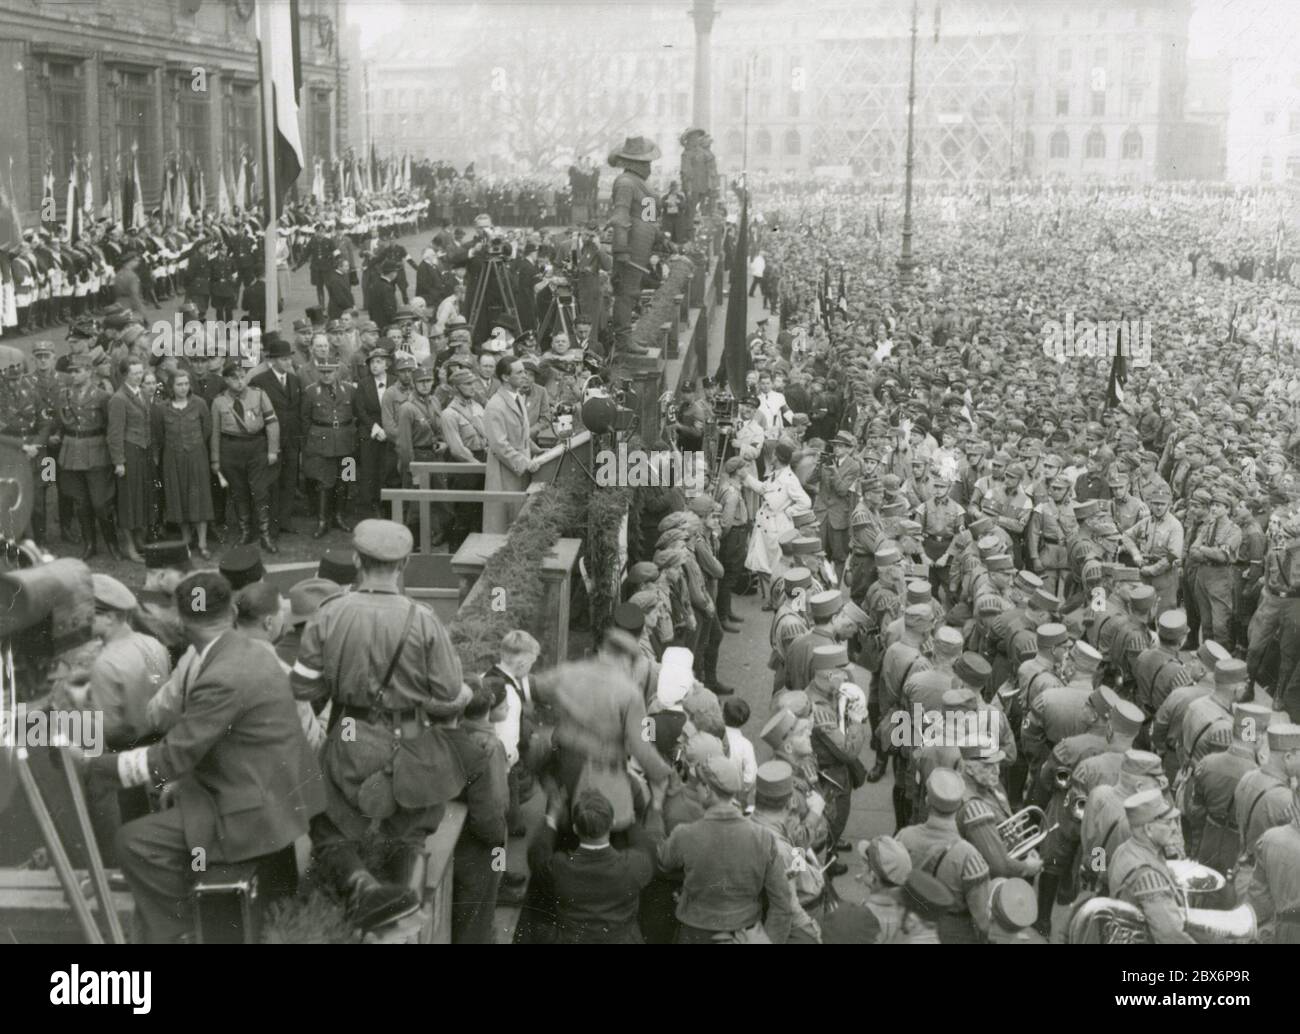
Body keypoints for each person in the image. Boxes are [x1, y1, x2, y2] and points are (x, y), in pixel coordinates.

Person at [81, 571, 324, 944]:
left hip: (251, 809)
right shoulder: (248, 653)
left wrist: (92, 765)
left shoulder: (220, 674)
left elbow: (170, 758)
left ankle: (180, 929)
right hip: (271, 793)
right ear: (230, 612)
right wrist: (184, 780)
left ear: (181, 621)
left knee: (132, 841)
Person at [290, 519, 469, 932]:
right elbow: (449, 690)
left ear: (356, 559)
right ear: (404, 564)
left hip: (352, 729)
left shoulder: (329, 613)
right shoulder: (422, 619)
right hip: (410, 733)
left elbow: (302, 685)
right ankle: (408, 912)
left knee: (331, 828)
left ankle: (362, 887)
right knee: (412, 831)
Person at [657, 754, 795, 943]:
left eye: (698, 784)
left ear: (707, 790)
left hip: (695, 935)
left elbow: (663, 861)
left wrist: (655, 808)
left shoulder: (685, 834)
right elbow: (783, 906)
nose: (695, 788)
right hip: (744, 935)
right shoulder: (764, 838)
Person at [528, 784, 666, 944]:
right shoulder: (633, 865)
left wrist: (551, 819)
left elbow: (537, 855)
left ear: (575, 829)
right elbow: (650, 846)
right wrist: (631, 820)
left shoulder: (560, 867)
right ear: (612, 823)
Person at [1106, 788, 1196, 943]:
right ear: (1148, 829)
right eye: (1168, 823)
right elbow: (1171, 937)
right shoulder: (1148, 876)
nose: (1174, 828)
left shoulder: (1123, 849)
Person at [209, 360, 280, 553]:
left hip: (256, 447)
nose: (240, 382)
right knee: (239, 493)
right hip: (230, 450)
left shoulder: (259, 395)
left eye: (242, 377)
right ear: (226, 380)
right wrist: (215, 459)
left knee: (260, 491)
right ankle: (245, 532)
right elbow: (215, 432)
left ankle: (265, 535)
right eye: (234, 378)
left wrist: (273, 449)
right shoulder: (219, 402)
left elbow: (272, 422)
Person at [249, 332, 303, 539]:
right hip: (269, 442)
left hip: (291, 440)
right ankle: (271, 524)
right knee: (272, 483)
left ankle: (285, 520)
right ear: (272, 360)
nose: (288, 362)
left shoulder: (294, 380)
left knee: (290, 480)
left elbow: (297, 410)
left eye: (289, 358)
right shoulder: (259, 381)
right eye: (283, 359)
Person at [300, 358, 358, 539]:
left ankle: (339, 516)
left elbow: (357, 413)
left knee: (345, 479)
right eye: (323, 372)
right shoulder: (311, 392)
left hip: (346, 441)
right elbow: (304, 420)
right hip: (321, 442)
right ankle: (323, 520)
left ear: (337, 371)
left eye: (330, 371)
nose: (326, 375)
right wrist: (310, 443)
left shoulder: (349, 390)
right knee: (325, 482)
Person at [483, 355, 541, 534]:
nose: (525, 375)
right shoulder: (495, 405)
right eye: (520, 372)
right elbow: (499, 445)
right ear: (505, 377)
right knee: (504, 522)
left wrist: (537, 450)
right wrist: (525, 463)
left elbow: (522, 435)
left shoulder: (518, 398)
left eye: (525, 371)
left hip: (520, 469)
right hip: (504, 472)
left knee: (518, 518)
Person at [106, 356, 153, 562]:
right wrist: (119, 462)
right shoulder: (118, 399)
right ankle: (129, 547)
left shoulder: (142, 393)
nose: (139, 376)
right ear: (125, 375)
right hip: (129, 452)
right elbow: (114, 434)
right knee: (127, 501)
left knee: (141, 497)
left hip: (144, 452)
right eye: (134, 373)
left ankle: (140, 540)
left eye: (140, 372)